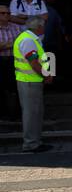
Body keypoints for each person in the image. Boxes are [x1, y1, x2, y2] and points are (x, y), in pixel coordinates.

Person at [14, 14, 52, 153]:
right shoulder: (28, 40)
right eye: (43, 26)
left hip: (31, 81)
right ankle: (31, 143)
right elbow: (34, 63)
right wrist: (46, 74)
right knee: (31, 113)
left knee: (35, 112)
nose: (44, 28)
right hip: (29, 81)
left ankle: (35, 141)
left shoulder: (31, 39)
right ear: (39, 27)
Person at [0, 5, 21, 120]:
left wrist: (4, 45)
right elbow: (14, 44)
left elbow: (20, 45)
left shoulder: (16, 27)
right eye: (2, 13)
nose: (6, 15)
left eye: (8, 13)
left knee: (16, 86)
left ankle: (16, 113)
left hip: (14, 60)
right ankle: (3, 113)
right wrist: (11, 44)